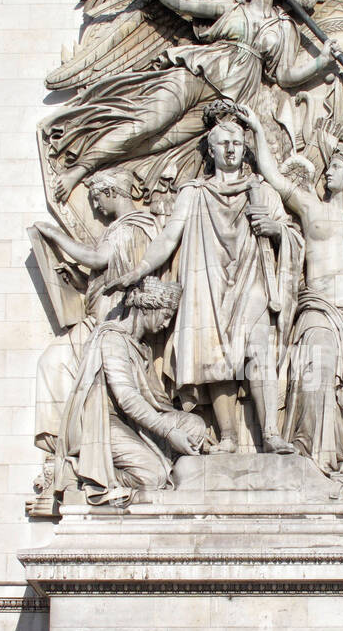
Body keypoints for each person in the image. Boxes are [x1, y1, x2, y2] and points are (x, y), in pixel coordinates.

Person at [47, 0, 334, 203]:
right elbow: (180, 3)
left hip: (226, 104)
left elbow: (283, 75)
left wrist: (321, 62)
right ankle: (79, 169)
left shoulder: (284, 27)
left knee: (159, 142)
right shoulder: (231, 5)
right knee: (147, 123)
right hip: (196, 74)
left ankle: (104, 166)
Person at [113, 103, 303, 455]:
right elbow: (170, 236)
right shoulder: (194, 192)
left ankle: (272, 434)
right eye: (222, 143)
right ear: (210, 150)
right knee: (215, 355)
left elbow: (292, 234)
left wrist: (275, 229)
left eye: (236, 142)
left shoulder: (263, 191)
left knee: (258, 347)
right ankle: (229, 436)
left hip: (253, 277)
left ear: (245, 148)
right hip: (209, 282)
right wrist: (140, 269)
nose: (230, 149)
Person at [238, 105, 343, 474]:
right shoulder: (309, 206)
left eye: (336, 167)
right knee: (318, 364)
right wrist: (257, 133)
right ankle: (311, 452)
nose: (328, 171)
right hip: (320, 305)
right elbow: (275, 177)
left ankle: (342, 456)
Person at [31, 168, 158, 458]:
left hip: (111, 324)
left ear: (112, 192)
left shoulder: (129, 227)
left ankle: (65, 446)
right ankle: (66, 445)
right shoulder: (129, 227)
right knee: (55, 363)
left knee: (53, 361)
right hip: (105, 318)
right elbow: (108, 274)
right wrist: (78, 279)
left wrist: (55, 235)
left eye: (98, 199)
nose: (97, 208)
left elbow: (99, 259)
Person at [54, 277, 209, 505]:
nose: (166, 324)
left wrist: (178, 427)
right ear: (148, 308)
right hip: (106, 423)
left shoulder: (142, 348)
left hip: (133, 423)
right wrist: (168, 432)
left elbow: (156, 401)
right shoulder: (112, 340)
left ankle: (157, 458)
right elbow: (127, 398)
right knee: (151, 476)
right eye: (165, 316)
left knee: (195, 425)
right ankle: (83, 473)